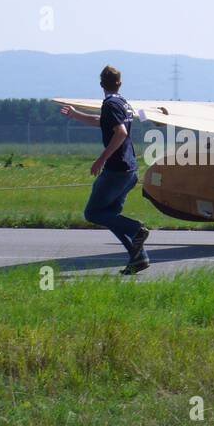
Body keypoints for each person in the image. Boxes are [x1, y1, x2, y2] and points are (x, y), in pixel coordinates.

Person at [60, 66, 150, 274]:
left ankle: (136, 229)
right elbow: (102, 122)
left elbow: (120, 132)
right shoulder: (123, 103)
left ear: (101, 84)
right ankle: (139, 258)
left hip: (116, 170)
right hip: (130, 170)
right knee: (111, 216)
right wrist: (75, 114)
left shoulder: (110, 104)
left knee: (93, 213)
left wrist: (101, 158)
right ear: (120, 83)